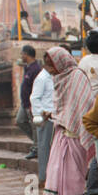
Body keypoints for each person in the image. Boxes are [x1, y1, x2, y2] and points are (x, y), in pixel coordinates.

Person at [40, 46, 95, 195]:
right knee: (58, 170)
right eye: (48, 66)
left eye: (52, 65)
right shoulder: (59, 79)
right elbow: (64, 106)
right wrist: (54, 115)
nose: (50, 70)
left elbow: (86, 102)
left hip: (76, 132)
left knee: (72, 174)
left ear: (60, 62)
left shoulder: (77, 76)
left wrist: (75, 121)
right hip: (62, 131)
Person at [29, 55, 54, 187]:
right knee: (44, 148)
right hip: (45, 118)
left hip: (54, 117)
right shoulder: (42, 78)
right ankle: (43, 178)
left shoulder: (52, 77)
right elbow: (34, 98)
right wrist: (42, 113)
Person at [18, 45, 41, 158]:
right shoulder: (27, 68)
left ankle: (37, 147)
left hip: (31, 103)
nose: (21, 56)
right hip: (24, 103)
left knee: (34, 125)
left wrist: (33, 104)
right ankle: (39, 142)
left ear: (26, 54)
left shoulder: (36, 69)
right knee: (20, 121)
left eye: (22, 53)